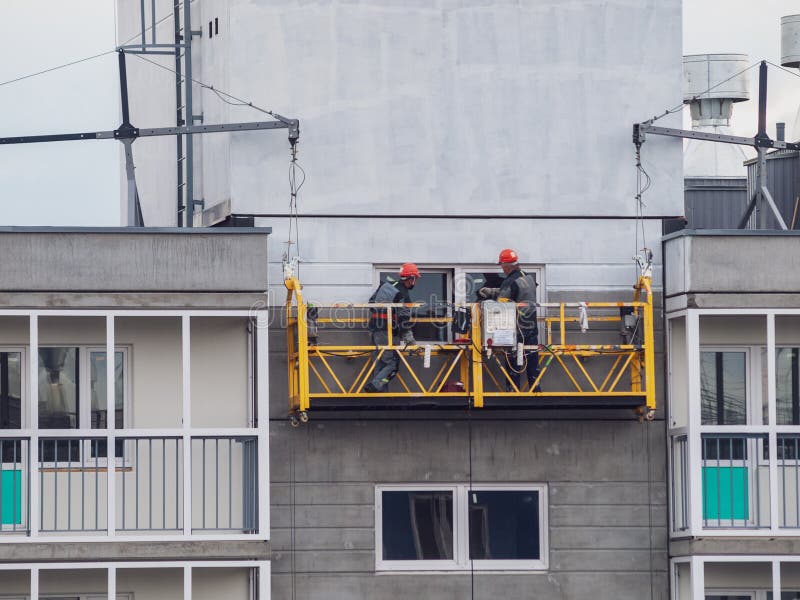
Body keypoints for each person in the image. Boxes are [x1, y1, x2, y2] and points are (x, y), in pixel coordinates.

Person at [478, 249, 540, 391]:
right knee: (532, 360)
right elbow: (515, 293)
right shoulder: (528, 278)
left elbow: (502, 302)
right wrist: (493, 291)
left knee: (513, 362)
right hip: (531, 326)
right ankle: (536, 391)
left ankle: (513, 392)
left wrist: (489, 296)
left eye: (502, 266)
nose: (502, 269)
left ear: (506, 266)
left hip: (516, 329)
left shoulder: (511, 280)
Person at [363, 263, 421, 393]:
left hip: (374, 329)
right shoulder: (403, 294)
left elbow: (371, 304)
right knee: (392, 364)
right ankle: (375, 386)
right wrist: (410, 340)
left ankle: (379, 395)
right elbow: (404, 319)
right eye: (415, 279)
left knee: (380, 362)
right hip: (386, 332)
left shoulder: (385, 286)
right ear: (411, 278)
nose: (415, 282)